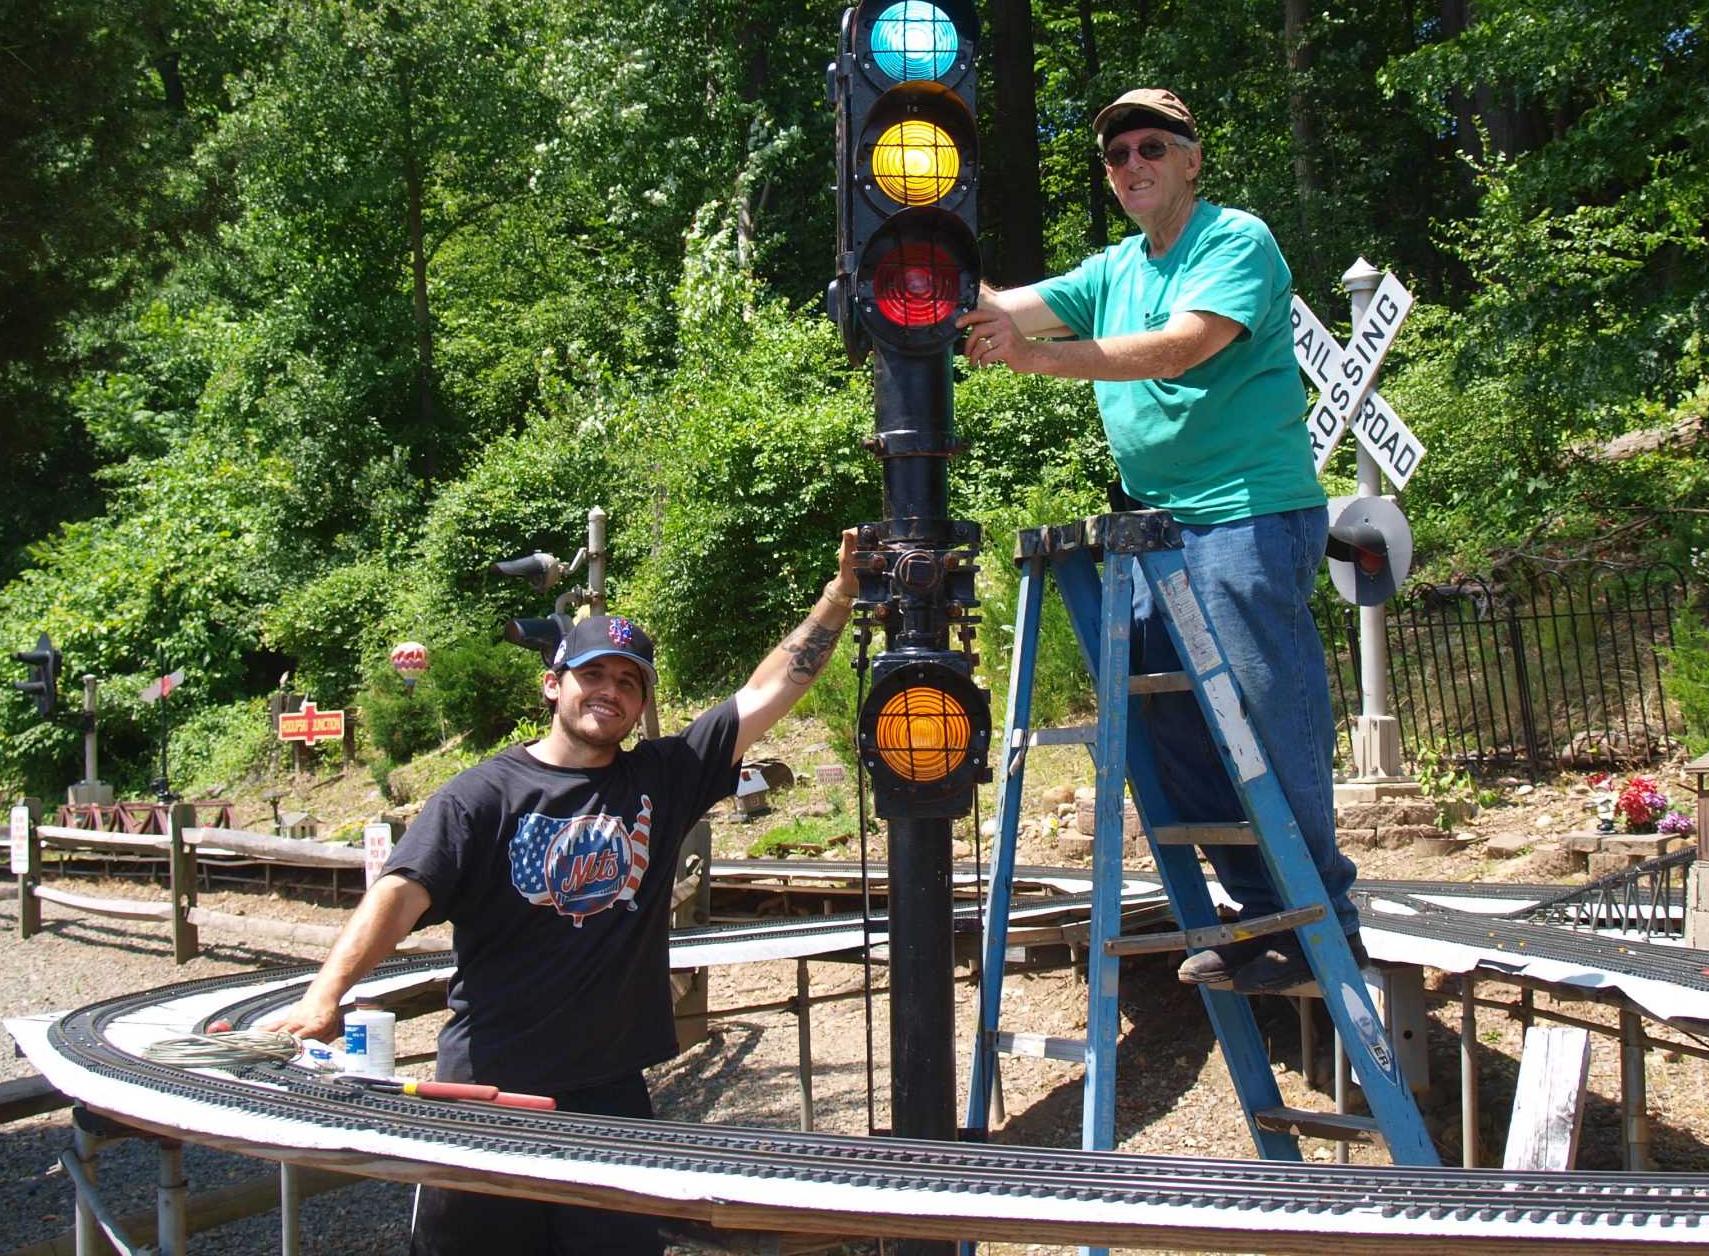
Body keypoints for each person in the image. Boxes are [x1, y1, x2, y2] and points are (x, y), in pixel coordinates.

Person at [267, 530, 859, 1255]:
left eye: (629, 681)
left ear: (641, 703)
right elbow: (401, 891)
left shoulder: (661, 779)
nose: (610, 691)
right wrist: (325, 994)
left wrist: (839, 597)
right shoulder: (479, 797)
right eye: (593, 674)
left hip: (610, 1095)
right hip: (487, 1090)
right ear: (554, 682)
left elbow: (772, 687)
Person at [956, 88, 1360, 993]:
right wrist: (923, 248)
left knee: (1263, 715)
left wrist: (1042, 357)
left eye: (1149, 147)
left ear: (1191, 158)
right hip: (1157, 532)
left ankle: (1325, 921)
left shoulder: (1236, 242)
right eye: (1115, 156)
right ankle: (1261, 914)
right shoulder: (1112, 271)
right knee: (1167, 726)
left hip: (1248, 515)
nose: (1131, 164)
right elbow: (1001, 308)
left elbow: (1179, 348)